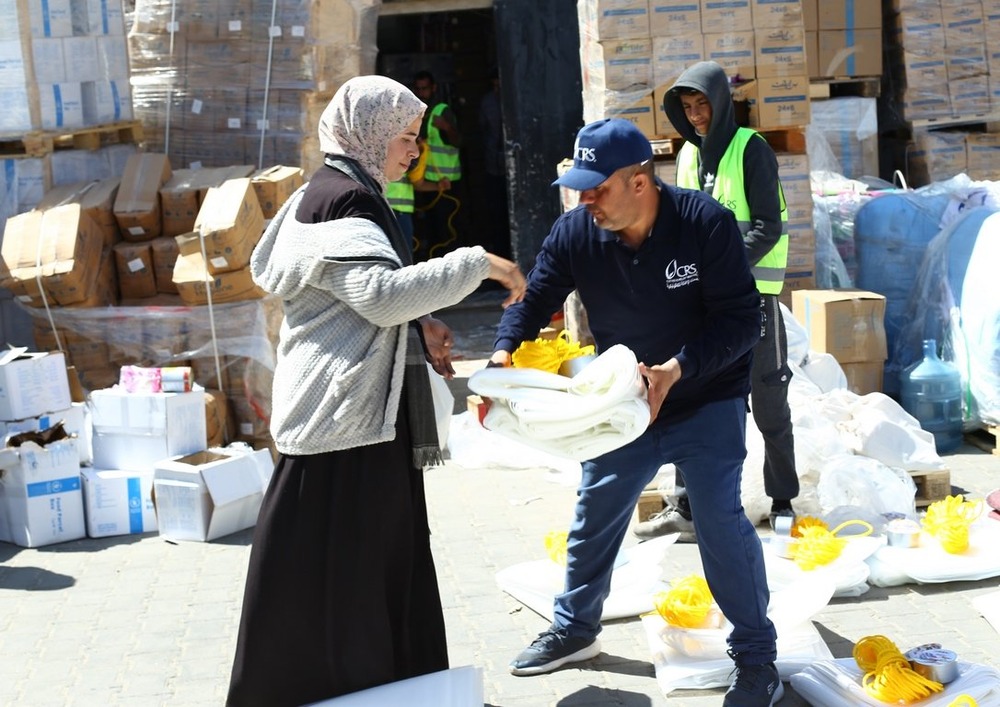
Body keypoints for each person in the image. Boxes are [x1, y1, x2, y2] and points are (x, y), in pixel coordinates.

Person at [226, 74, 526, 707]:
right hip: (343, 421)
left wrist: (423, 319)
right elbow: (379, 296)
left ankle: (392, 688)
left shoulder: (342, 188)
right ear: (369, 134)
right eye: (406, 137)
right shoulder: (345, 201)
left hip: (361, 417)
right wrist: (481, 263)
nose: (414, 150)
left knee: (365, 571)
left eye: (416, 138)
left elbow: (368, 293)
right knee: (346, 581)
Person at [489, 117, 782, 706]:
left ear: (641, 182)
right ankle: (575, 629)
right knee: (597, 506)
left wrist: (677, 369)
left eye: (597, 186)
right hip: (625, 401)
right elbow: (536, 297)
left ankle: (756, 660)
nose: (585, 198)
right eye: (580, 186)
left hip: (705, 394)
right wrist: (500, 356)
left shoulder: (705, 224)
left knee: (719, 522)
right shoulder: (577, 233)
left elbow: (743, 320)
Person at [635, 60, 797, 543]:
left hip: (753, 301)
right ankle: (686, 507)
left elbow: (769, 226)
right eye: (687, 108)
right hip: (701, 304)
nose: (696, 115)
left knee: (768, 400)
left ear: (722, 102)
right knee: (691, 398)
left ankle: (782, 499)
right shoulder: (687, 156)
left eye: (702, 104)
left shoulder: (752, 151)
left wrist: (721, 270)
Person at [412, 70, 463, 256]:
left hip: (446, 183)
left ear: (433, 88)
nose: (420, 93)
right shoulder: (417, 113)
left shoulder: (442, 111)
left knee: (447, 232)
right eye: (417, 89)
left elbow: (458, 141)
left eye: (424, 89)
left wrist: (447, 127)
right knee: (431, 230)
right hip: (425, 183)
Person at [386, 136, 451, 252]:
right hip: (386, 210)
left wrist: (438, 186)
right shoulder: (386, 152)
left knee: (404, 258)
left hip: (404, 213)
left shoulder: (409, 161)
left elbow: (418, 184)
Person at [478, 68, 511, 259]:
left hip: (512, 167)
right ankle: (500, 252)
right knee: (496, 213)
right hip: (493, 165)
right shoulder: (488, 102)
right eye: (495, 83)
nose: (497, 86)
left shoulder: (512, 98)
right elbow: (484, 129)